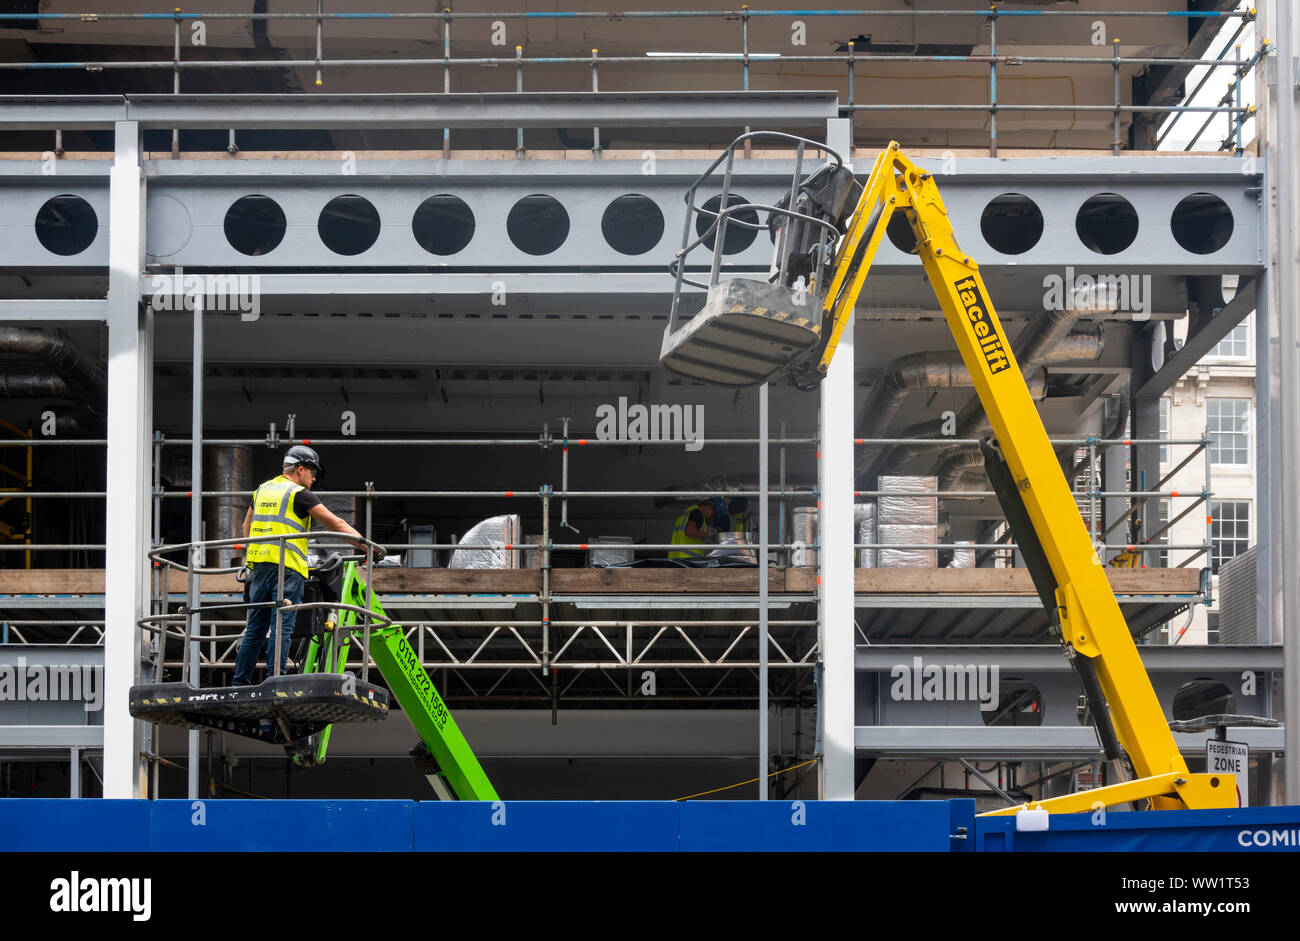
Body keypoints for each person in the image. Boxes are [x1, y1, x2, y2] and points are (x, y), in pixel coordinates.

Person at [232, 445, 385, 686]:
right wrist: (368, 547)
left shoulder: (262, 490)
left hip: (258, 568)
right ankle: (275, 682)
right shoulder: (298, 493)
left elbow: (245, 529)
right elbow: (335, 523)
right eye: (312, 473)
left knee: (255, 629)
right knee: (281, 626)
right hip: (287, 569)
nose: (313, 479)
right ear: (300, 469)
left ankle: (239, 683)